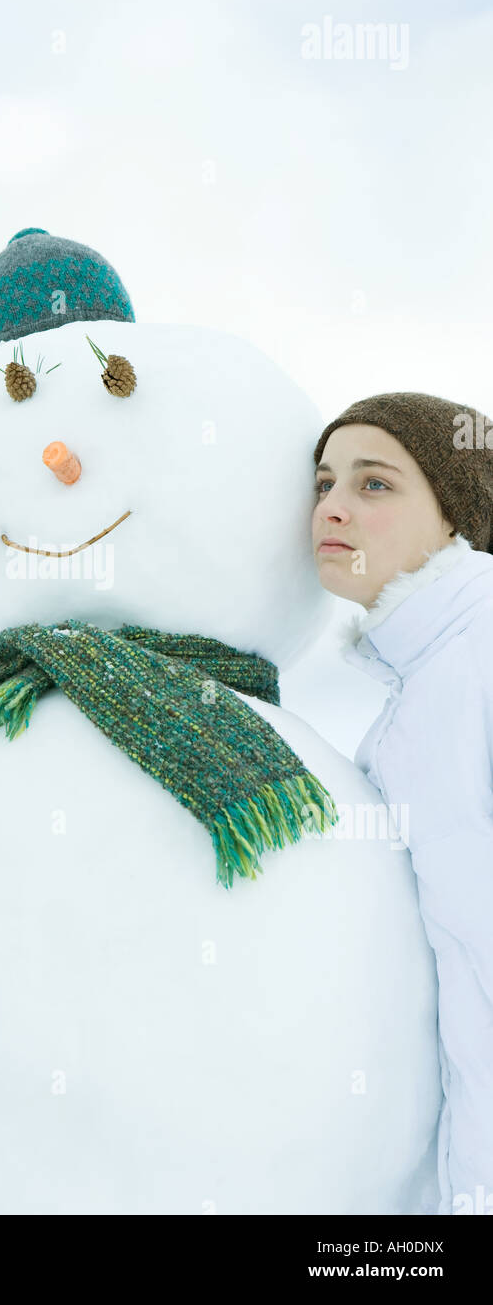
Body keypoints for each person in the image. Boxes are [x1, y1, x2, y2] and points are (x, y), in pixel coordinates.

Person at [311, 392, 493, 1215]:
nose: (332, 508)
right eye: (322, 483)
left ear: (457, 515)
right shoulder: (411, 698)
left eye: (373, 484)